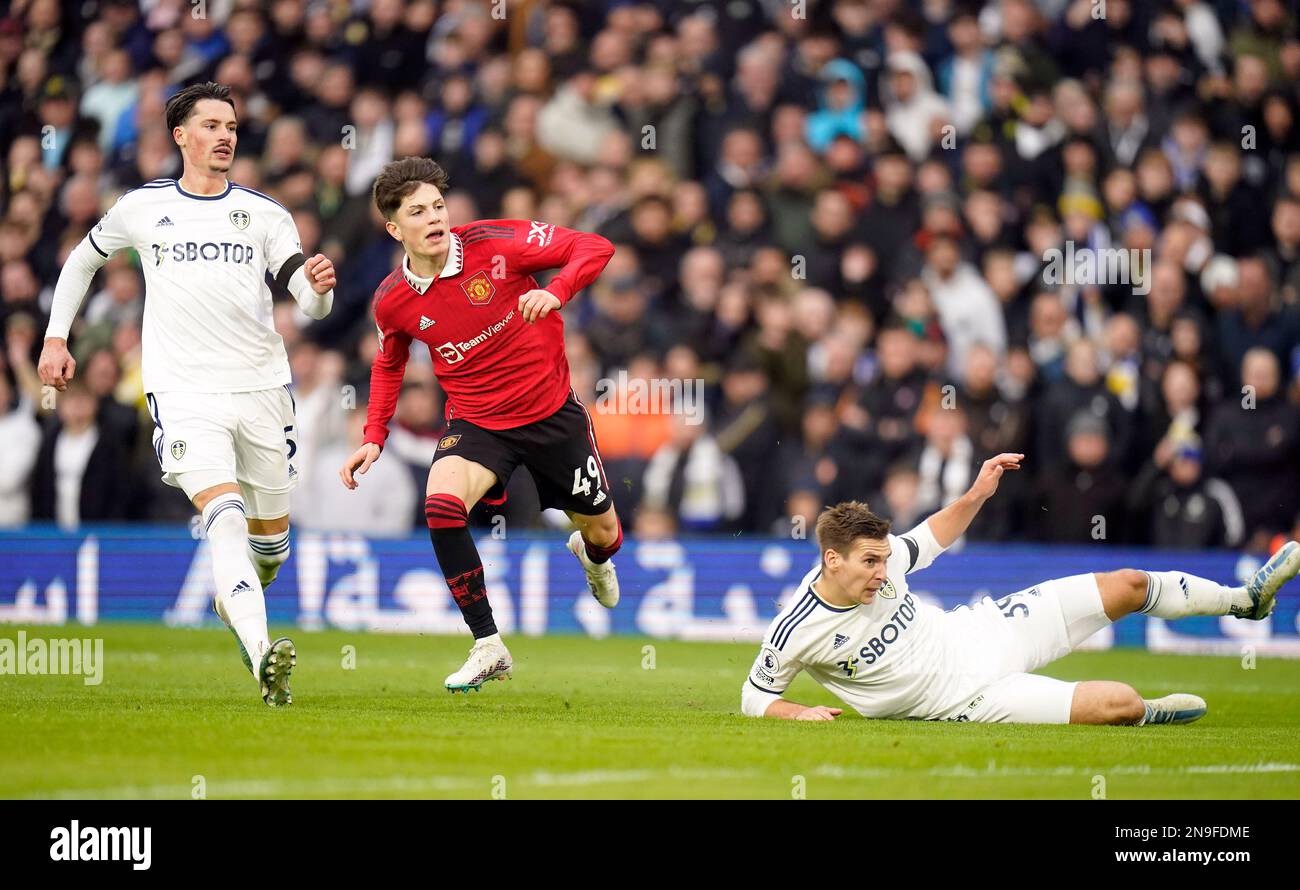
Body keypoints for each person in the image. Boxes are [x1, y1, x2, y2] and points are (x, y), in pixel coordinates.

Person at [37, 82, 338, 708]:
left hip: (261, 388)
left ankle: (236, 602)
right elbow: (82, 263)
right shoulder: (142, 207)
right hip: (183, 391)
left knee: (271, 550)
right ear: (180, 136)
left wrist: (319, 288)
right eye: (211, 125)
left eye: (231, 125)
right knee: (221, 514)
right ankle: (263, 657)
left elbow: (305, 301)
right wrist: (56, 337)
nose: (225, 135)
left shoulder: (263, 213)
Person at [741, 453, 1299, 724]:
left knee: (1128, 584)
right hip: (965, 702)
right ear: (831, 560)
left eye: (885, 560)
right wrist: (799, 714)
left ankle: (1245, 600)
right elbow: (754, 696)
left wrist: (978, 493)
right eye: (870, 563)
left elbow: (933, 534)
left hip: (985, 631)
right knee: (1118, 703)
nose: (883, 572)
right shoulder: (796, 628)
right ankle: (1146, 712)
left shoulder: (887, 562)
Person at [339, 157, 621, 692]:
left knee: (605, 533)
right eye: (418, 212)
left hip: (552, 417)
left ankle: (591, 554)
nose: (435, 218)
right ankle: (487, 643)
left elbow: (594, 247)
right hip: (477, 422)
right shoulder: (393, 300)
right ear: (395, 229)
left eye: (439, 206)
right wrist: (375, 435)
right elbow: (389, 362)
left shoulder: (499, 243)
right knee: (440, 506)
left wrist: (556, 291)